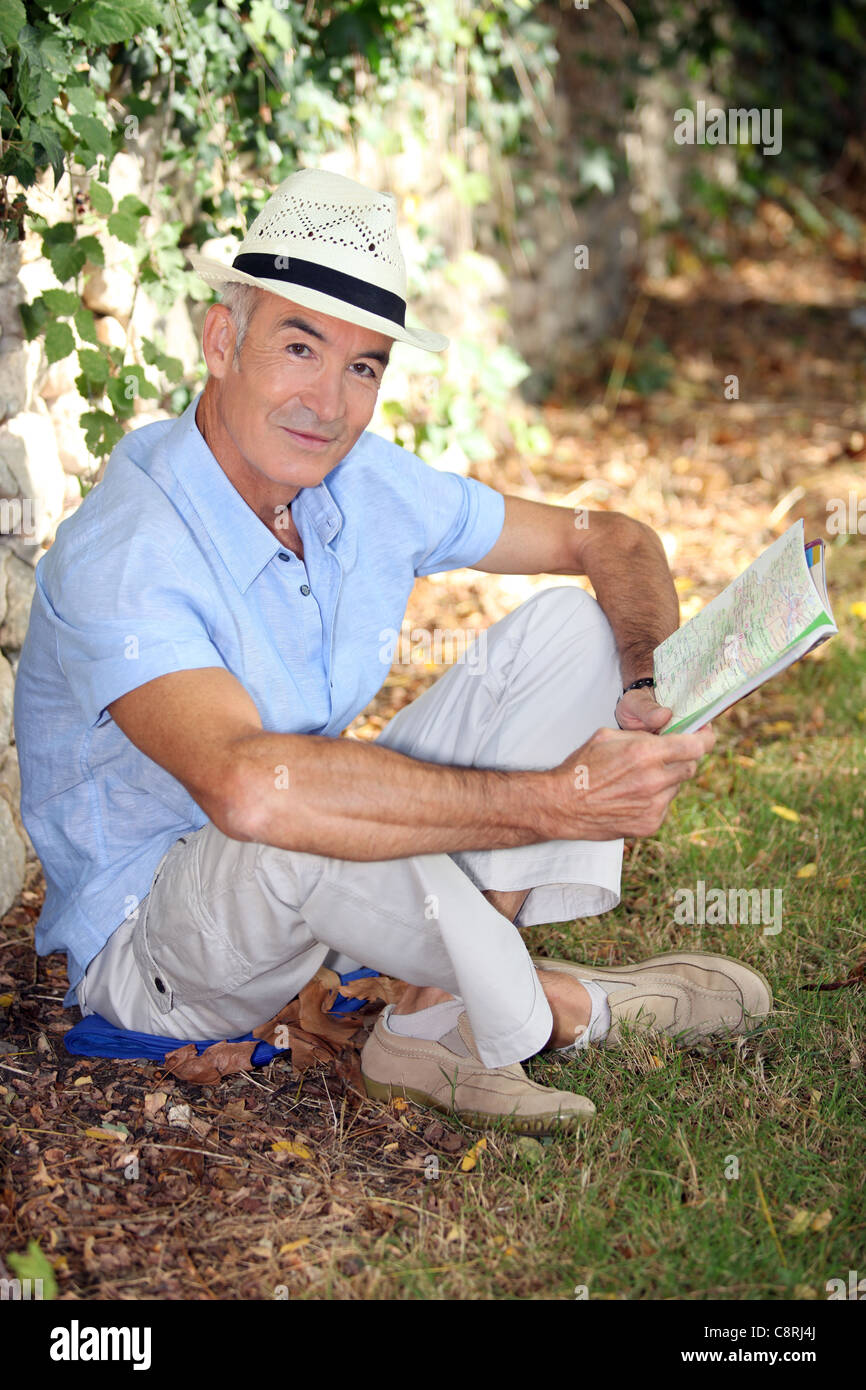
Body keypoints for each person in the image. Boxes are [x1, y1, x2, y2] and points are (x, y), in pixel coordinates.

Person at [14, 168, 771, 1134]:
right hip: (164, 953)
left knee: (568, 632)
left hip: (305, 875)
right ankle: (561, 1010)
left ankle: (431, 1019)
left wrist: (649, 680)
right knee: (293, 809)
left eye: (363, 367)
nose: (327, 403)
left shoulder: (357, 480)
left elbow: (608, 538)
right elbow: (254, 792)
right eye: (300, 347)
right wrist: (554, 799)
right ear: (220, 341)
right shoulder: (129, 549)